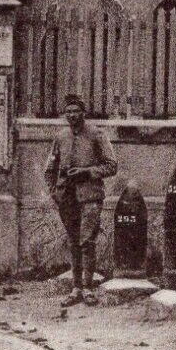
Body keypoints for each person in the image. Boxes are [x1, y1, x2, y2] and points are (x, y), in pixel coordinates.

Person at [43, 93, 118, 306]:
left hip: (90, 197)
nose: (72, 115)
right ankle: (76, 288)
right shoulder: (61, 137)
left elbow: (112, 166)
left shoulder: (96, 135)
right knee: (73, 242)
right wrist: (54, 192)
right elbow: (49, 169)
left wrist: (86, 172)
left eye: (76, 111)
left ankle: (88, 288)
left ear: (83, 113)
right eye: (68, 112)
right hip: (66, 198)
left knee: (87, 242)